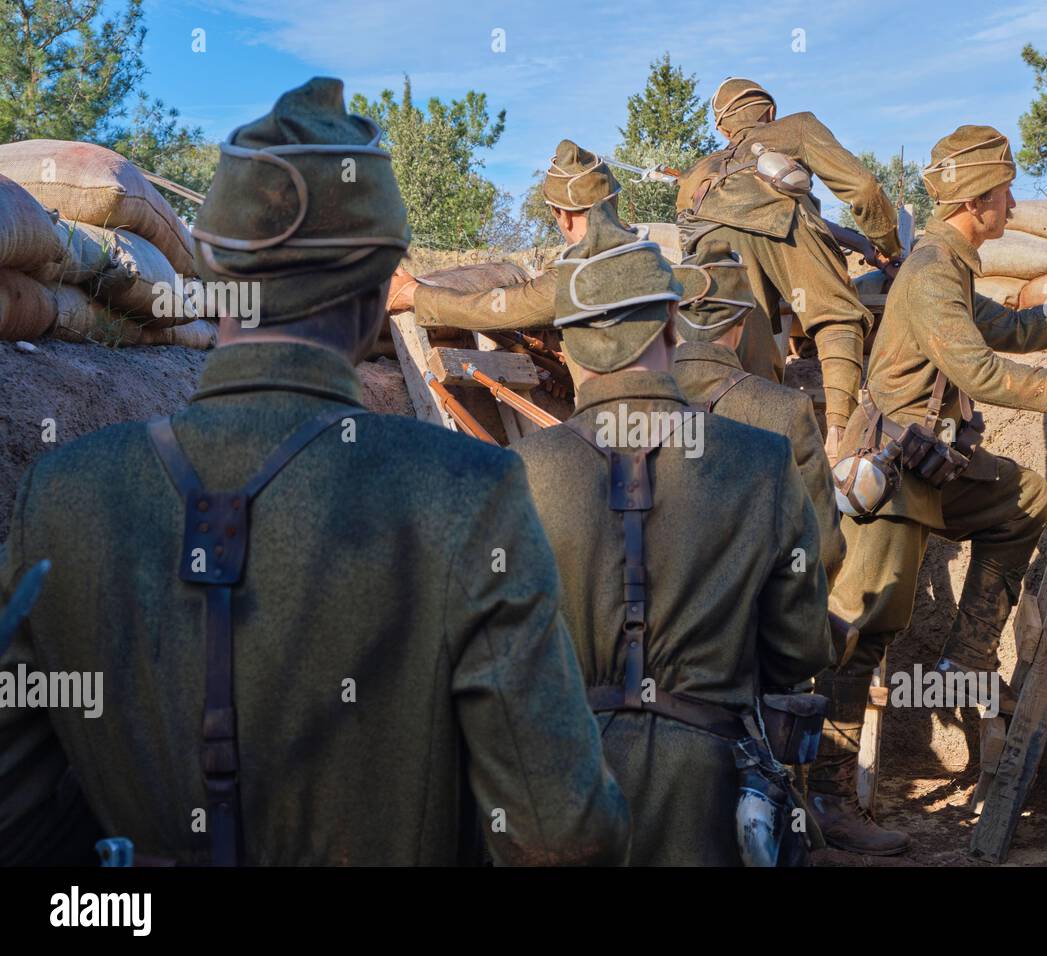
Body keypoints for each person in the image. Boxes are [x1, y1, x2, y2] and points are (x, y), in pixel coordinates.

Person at [0, 78, 629, 867]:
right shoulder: (469, 493)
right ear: (380, 295)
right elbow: (562, 836)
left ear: (210, 272)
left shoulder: (63, 493)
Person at [811, 125, 1047, 855]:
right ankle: (825, 801)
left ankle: (966, 657)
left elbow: (1007, 329)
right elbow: (985, 376)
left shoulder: (949, 264)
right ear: (978, 200)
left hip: (931, 464)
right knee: (860, 630)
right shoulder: (931, 272)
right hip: (892, 476)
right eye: (1004, 192)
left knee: (1022, 498)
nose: (1013, 202)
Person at [511, 202, 833, 865]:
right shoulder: (762, 463)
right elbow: (801, 649)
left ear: (566, 342)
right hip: (711, 797)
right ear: (667, 321)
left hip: (560, 795)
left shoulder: (515, 474)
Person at [676, 77, 901, 458]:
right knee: (836, 317)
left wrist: (859, 243)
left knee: (747, 355)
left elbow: (705, 229)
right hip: (784, 225)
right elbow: (863, 189)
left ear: (722, 129)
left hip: (714, 246)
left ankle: (754, 452)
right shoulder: (795, 127)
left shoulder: (698, 172)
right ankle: (840, 438)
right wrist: (888, 245)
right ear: (770, 111)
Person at [670, 238, 843, 575]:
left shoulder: (627, 408)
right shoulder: (787, 411)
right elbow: (823, 551)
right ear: (743, 320)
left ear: (676, 316)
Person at [386, 139, 621, 331]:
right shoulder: (651, 252)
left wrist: (415, 294)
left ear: (561, 214)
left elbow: (497, 308)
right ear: (615, 201)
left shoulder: (579, 275)